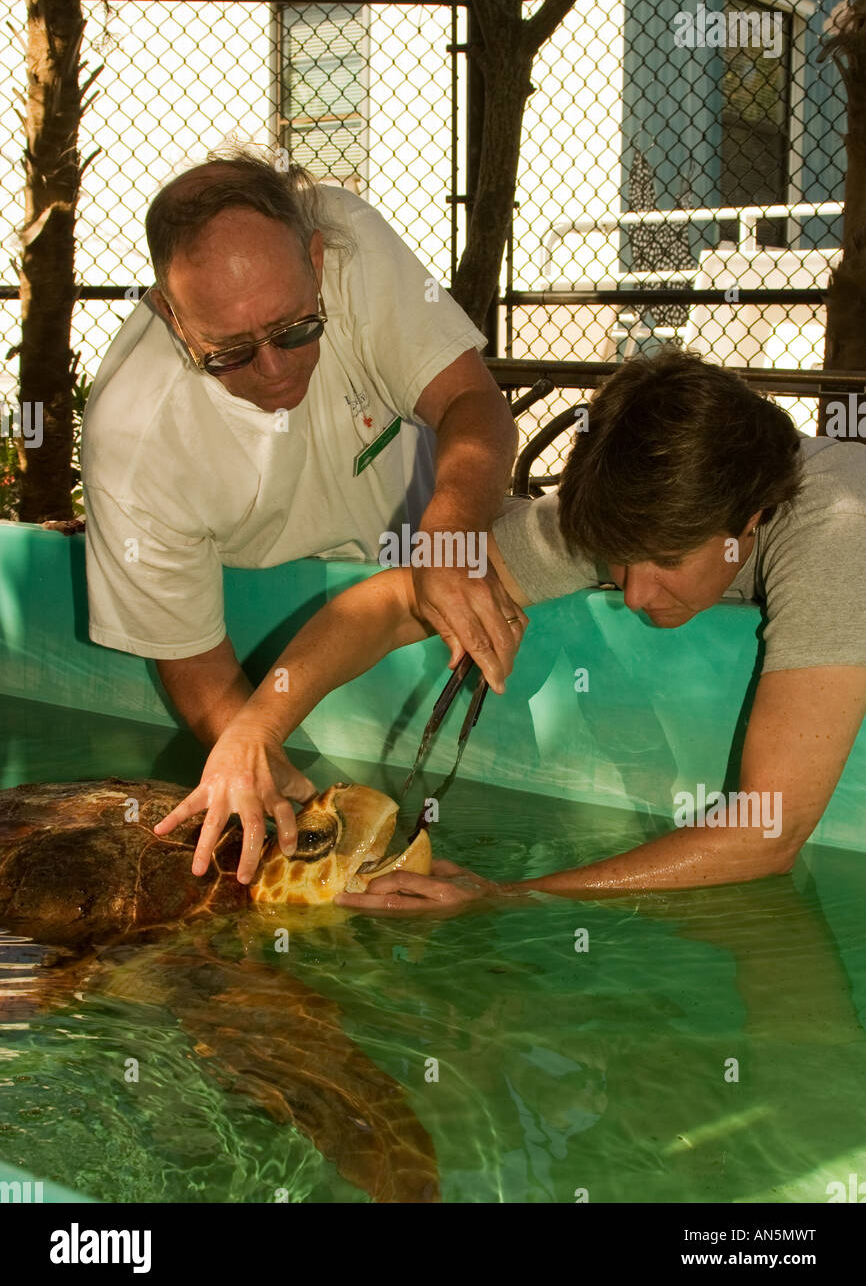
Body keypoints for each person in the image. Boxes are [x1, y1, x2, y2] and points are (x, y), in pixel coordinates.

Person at [153, 348, 866, 901]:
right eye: (617, 561)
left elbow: (770, 834)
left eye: (669, 560)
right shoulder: (629, 509)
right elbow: (398, 601)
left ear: (752, 517)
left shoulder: (839, 532)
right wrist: (253, 732)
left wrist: (513, 897)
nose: (637, 594)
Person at [81, 149, 517, 765]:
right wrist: (277, 783)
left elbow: (472, 400)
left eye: (294, 329)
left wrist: (451, 535)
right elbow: (192, 654)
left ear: (317, 263)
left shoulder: (350, 247)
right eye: (229, 351)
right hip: (265, 609)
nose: (274, 369)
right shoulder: (132, 436)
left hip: (427, 564)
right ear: (174, 320)